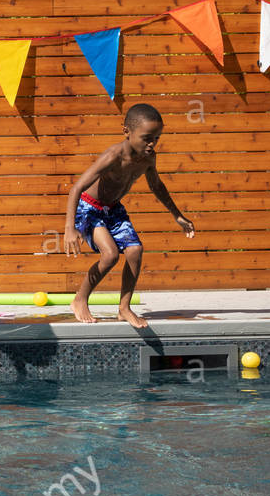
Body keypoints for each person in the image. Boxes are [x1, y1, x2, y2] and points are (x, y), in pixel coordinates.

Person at [63, 103, 195, 328]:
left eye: (157, 138)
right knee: (111, 255)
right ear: (126, 132)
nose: (152, 144)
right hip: (89, 208)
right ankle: (80, 299)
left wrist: (177, 215)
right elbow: (76, 188)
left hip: (113, 208)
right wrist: (69, 228)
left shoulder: (148, 158)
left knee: (135, 250)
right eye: (147, 138)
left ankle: (124, 308)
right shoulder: (113, 155)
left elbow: (157, 186)